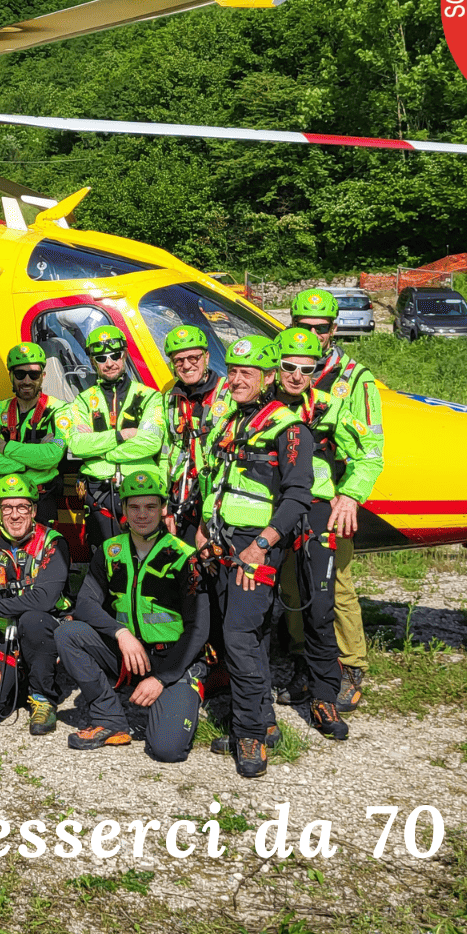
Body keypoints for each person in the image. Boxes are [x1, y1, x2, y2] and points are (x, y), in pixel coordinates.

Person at [196, 336, 314, 778]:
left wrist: (260, 546)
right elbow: (220, 481)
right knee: (254, 637)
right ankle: (263, 722)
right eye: (234, 370)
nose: (238, 379)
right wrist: (205, 529)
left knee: (239, 638)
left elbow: (298, 497)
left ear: (267, 379)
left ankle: (248, 736)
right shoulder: (235, 421)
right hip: (225, 544)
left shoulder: (289, 429)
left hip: (255, 549)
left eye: (248, 372)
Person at [58, 469, 209, 761]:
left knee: (167, 750)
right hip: (129, 654)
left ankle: (182, 690)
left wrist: (162, 678)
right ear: (124, 509)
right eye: (134, 506)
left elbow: (199, 628)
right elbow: (86, 604)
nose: (143, 514)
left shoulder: (184, 556)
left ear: (163, 509)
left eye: (150, 506)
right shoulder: (110, 550)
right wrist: (121, 633)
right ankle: (109, 719)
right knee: (68, 633)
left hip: (171, 660)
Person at [269, 326, 375, 739]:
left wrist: (350, 495)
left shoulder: (331, 407)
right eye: (289, 367)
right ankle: (299, 668)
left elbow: (369, 453)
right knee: (284, 596)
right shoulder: (260, 406)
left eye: (306, 369)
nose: (297, 375)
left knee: (322, 601)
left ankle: (325, 691)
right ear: (276, 365)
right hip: (273, 511)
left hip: (316, 510)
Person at [287, 288, 384, 712]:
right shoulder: (282, 367)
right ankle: (302, 659)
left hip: (330, 494)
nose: (312, 334)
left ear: (334, 327)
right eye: (303, 326)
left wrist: (351, 496)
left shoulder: (355, 379)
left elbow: (371, 450)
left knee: (336, 583)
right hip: (287, 493)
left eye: (321, 328)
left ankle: (350, 666)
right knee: (290, 579)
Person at [0, 475, 72, 734]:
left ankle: (43, 697)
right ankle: (20, 680)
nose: (15, 515)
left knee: (33, 619)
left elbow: (45, 599)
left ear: (34, 510)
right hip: (4, 638)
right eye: (7, 507)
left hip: (45, 633)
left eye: (22, 507)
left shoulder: (53, 542)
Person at [64, 325, 167, 553]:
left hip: (141, 491)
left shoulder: (150, 397)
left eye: (115, 355)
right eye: (101, 358)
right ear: (92, 362)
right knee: (106, 562)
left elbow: (151, 443)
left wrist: (102, 450)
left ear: (125, 355)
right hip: (99, 494)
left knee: (147, 558)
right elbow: (77, 445)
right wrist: (122, 435)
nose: (109, 363)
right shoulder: (82, 401)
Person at [0, 342, 68, 526]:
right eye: (20, 374)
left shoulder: (59, 410)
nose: (26, 381)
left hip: (41, 501)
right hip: (2, 502)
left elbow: (52, 456)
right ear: (11, 376)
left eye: (33, 375)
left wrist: (4, 447)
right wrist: (28, 465)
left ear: (43, 376)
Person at [159, 325, 230, 545]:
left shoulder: (229, 392)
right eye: (179, 360)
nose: (187, 365)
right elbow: (164, 452)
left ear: (207, 357)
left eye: (193, 357)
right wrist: (163, 502)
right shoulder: (168, 397)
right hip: (181, 497)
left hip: (219, 495)